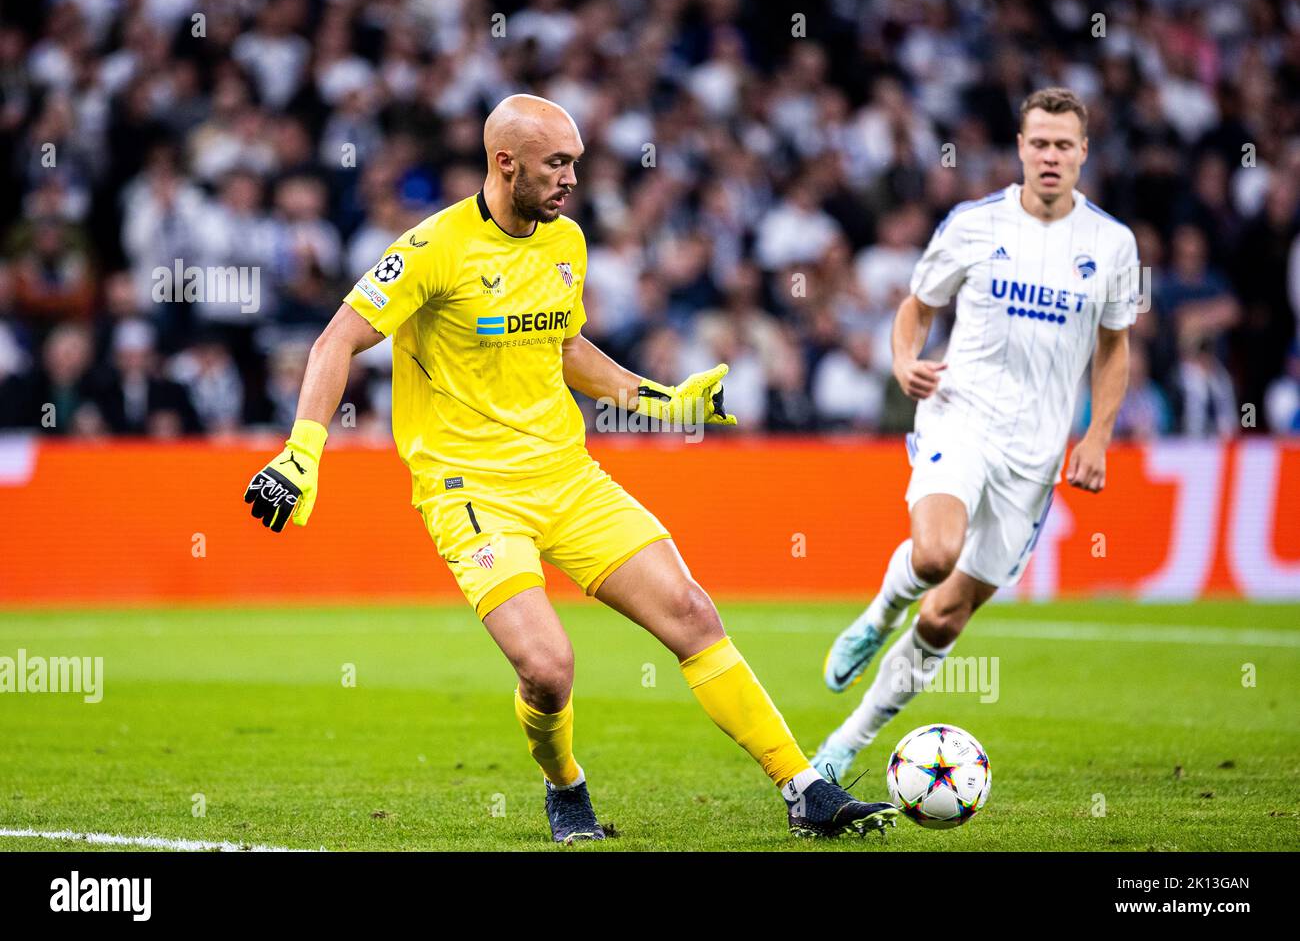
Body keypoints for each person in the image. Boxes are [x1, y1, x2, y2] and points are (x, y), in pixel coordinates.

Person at [243, 94, 897, 843]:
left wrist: (661, 403)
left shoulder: (567, 242)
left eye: (576, 163)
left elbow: (565, 346)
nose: (572, 180)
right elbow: (333, 342)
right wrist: (301, 452)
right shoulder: (433, 249)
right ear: (505, 163)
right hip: (471, 491)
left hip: (566, 474)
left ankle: (804, 786)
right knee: (549, 669)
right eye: (557, 164)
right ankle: (566, 786)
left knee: (692, 613)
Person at [815, 88, 1139, 781]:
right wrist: (904, 361)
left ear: (1084, 152)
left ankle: (847, 742)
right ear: (1020, 149)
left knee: (944, 619)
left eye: (1064, 144)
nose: (1050, 155)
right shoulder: (973, 224)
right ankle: (876, 617)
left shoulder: (1112, 245)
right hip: (960, 416)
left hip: (1036, 452)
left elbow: (1115, 346)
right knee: (933, 556)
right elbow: (917, 306)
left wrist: (1098, 436)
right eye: (1039, 143)